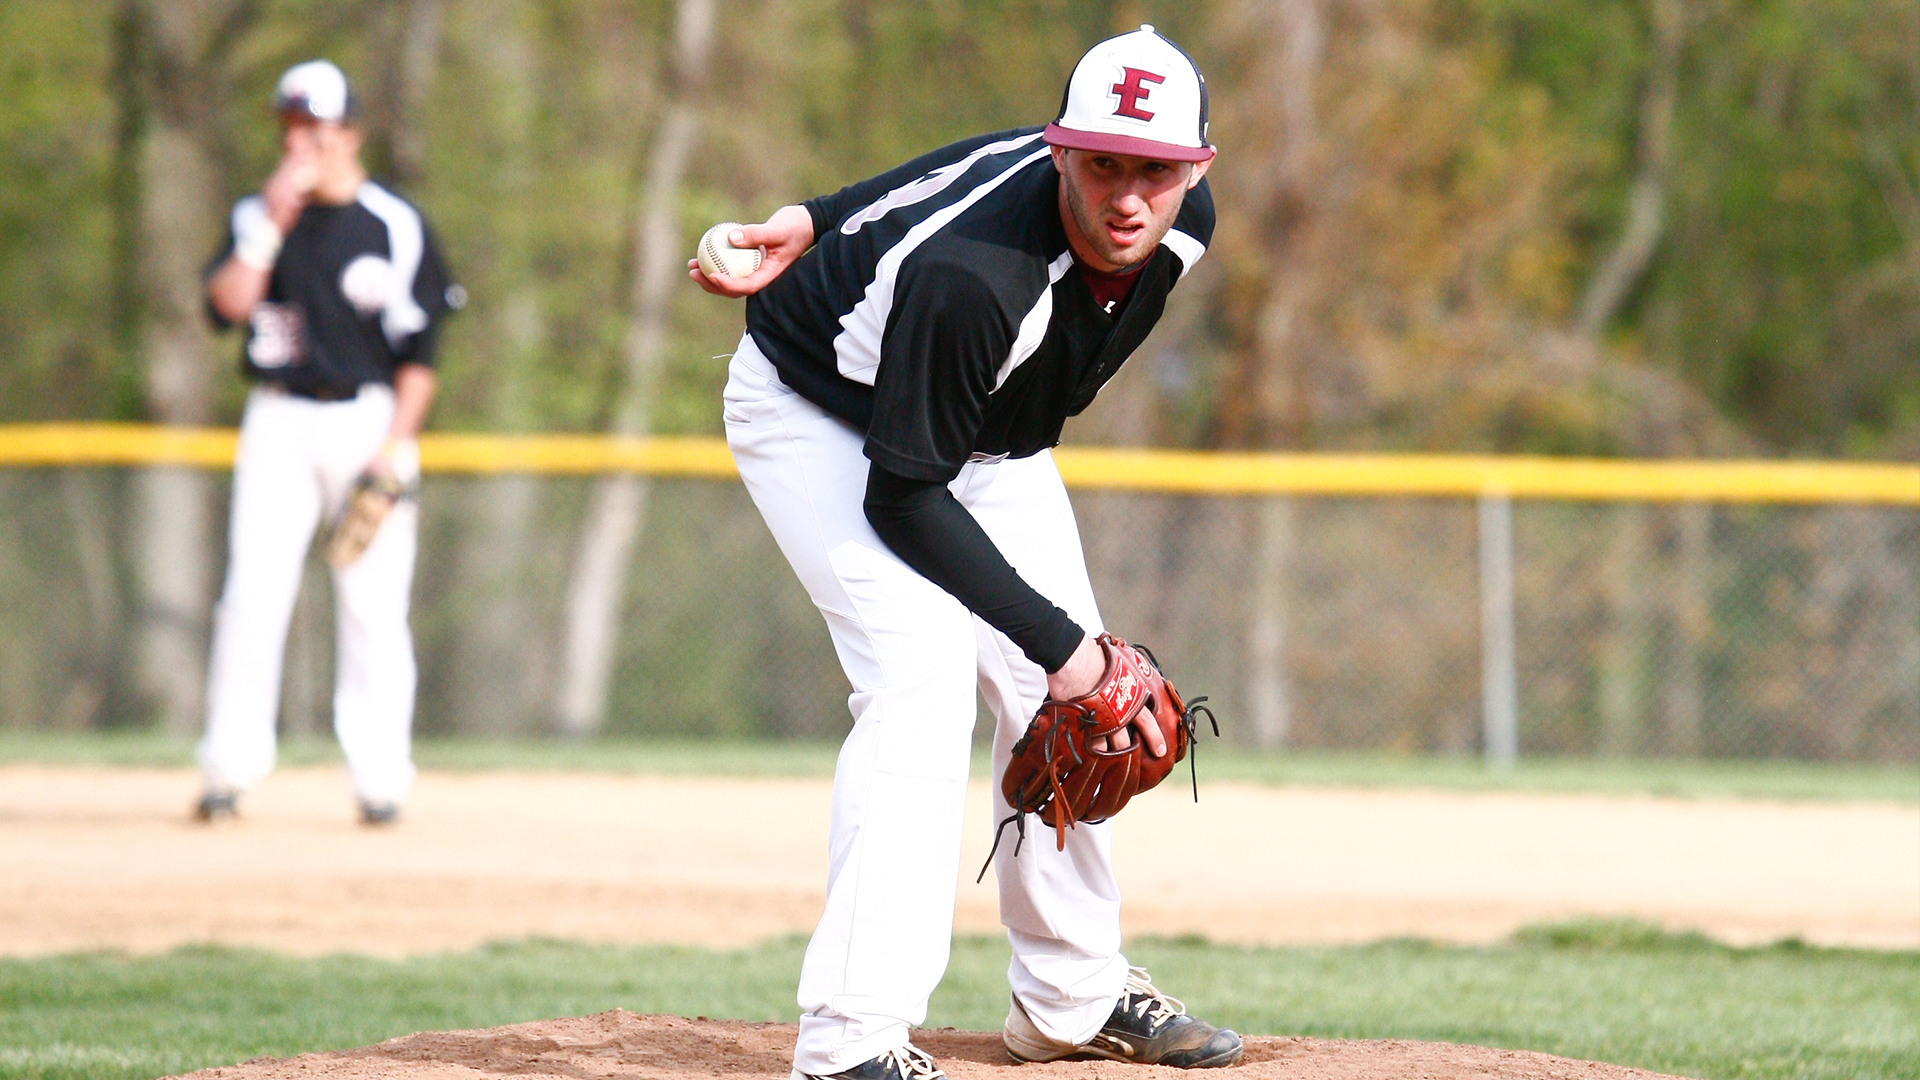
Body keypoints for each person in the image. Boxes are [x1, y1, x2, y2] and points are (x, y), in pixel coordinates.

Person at [692, 26, 1238, 1080]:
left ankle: (1072, 1002)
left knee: (1083, 708)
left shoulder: (1181, 224)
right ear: (1064, 153)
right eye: (1103, 165)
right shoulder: (975, 278)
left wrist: (816, 215)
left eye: (1158, 171)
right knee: (922, 682)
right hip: (826, 418)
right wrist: (1066, 646)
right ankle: (849, 1042)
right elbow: (902, 495)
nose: (1130, 196)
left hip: (984, 434)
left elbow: (970, 154)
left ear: (1196, 171)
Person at [194, 59, 459, 827]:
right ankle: (228, 771)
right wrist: (268, 226)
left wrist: (391, 451)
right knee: (252, 595)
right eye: (289, 127)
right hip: (276, 417)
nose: (300, 141)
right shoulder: (258, 215)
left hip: (368, 420)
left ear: (349, 133)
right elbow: (226, 306)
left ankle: (380, 781)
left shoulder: (393, 223)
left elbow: (421, 356)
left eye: (314, 126)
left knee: (374, 605)